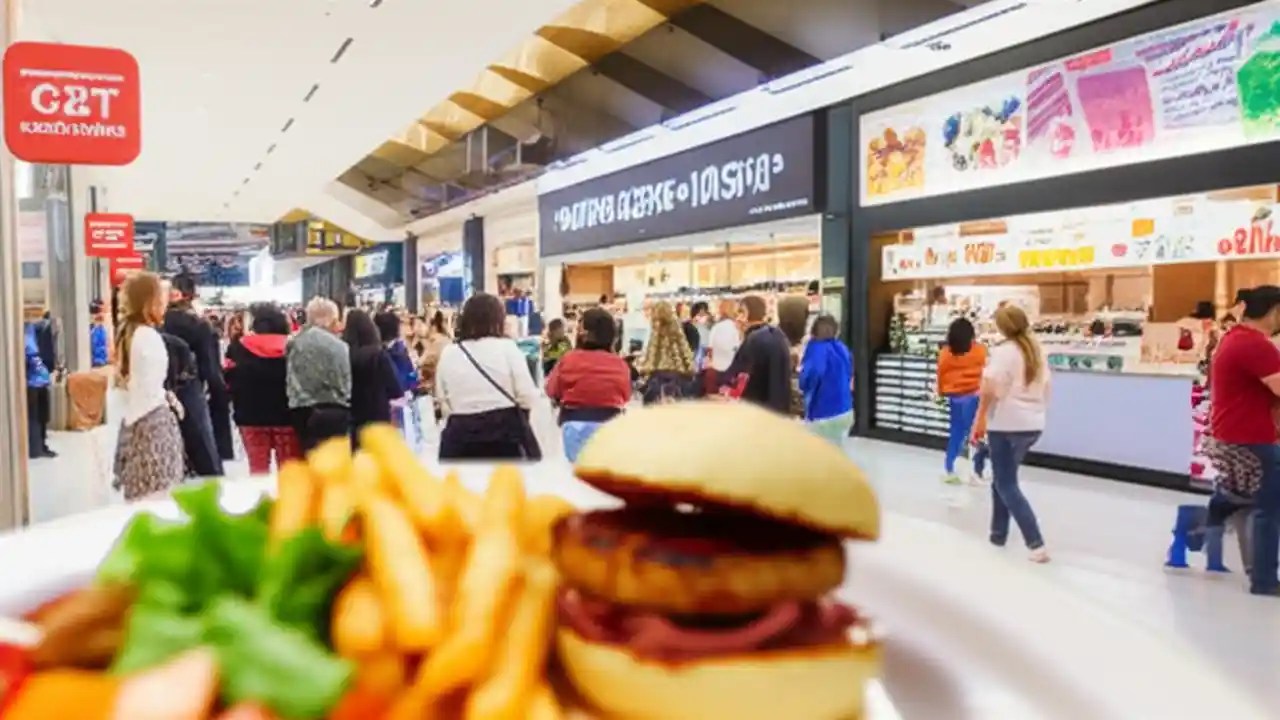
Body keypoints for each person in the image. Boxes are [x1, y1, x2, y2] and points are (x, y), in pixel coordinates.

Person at [1207, 285, 1280, 596]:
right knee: (1268, 508)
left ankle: (1207, 523)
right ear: (1274, 311)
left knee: (1240, 500)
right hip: (1253, 439)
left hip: (1229, 437)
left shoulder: (1233, 338)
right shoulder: (1255, 345)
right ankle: (1264, 580)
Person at [971, 305, 1051, 564]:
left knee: (1006, 484)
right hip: (1032, 424)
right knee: (1002, 479)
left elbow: (988, 388)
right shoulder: (1037, 349)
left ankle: (1035, 543)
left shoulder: (1003, 352)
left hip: (1006, 423)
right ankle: (998, 535)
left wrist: (979, 419)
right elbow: (1048, 387)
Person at [436, 293, 539, 460]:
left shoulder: (449, 353)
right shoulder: (507, 349)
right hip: (504, 438)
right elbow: (526, 396)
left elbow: (443, 399)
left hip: (460, 438)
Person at [112, 272, 185, 500]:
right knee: (159, 495)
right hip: (154, 425)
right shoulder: (147, 336)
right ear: (149, 301)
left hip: (134, 425)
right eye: (160, 297)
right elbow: (151, 387)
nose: (165, 303)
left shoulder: (128, 333)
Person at [545, 308, 632, 461]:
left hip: (573, 426)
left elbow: (551, 390)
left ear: (583, 333)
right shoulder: (620, 365)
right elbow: (626, 395)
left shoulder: (568, 360)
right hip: (610, 426)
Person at [164, 273, 234, 461]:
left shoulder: (155, 324)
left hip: (160, 395)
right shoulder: (199, 326)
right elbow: (211, 371)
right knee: (203, 453)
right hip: (192, 392)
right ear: (192, 295)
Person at [224, 304, 300, 474]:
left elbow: (229, 380)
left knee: (258, 470)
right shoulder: (294, 347)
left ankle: (260, 499)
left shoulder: (237, 347)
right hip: (287, 417)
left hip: (250, 416)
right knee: (289, 472)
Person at [287, 297, 352, 452]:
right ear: (328, 319)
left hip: (300, 409)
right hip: (332, 409)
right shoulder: (339, 346)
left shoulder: (293, 342)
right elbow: (344, 382)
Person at [937, 317, 989, 484]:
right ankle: (975, 471)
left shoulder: (945, 353)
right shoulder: (980, 351)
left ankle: (950, 468)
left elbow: (941, 375)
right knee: (975, 434)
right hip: (974, 395)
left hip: (955, 398)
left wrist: (941, 391)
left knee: (956, 433)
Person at [345, 310, 404, 448]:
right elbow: (395, 390)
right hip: (379, 419)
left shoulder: (343, 354)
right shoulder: (378, 355)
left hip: (353, 420)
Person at [724, 295, 792, 414]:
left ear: (750, 314)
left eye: (741, 312)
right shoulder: (778, 335)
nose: (738, 318)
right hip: (779, 408)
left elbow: (738, 377)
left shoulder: (753, 340)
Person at [798, 315, 853, 446]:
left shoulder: (816, 349)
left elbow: (812, 374)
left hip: (823, 412)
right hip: (845, 410)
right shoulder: (841, 348)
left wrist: (803, 384)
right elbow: (849, 372)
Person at [637, 301, 696, 404]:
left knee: (649, 401)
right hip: (677, 373)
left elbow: (652, 354)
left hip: (658, 373)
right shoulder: (678, 331)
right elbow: (685, 351)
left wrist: (644, 370)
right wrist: (690, 370)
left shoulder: (656, 332)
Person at [24, 322, 53, 459]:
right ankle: (36, 449)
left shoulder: (34, 331)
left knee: (42, 417)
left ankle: (42, 445)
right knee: (35, 418)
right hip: (32, 384)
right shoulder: (25, 337)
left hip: (41, 382)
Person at [704, 299, 741, 395]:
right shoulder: (736, 327)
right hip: (732, 370)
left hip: (716, 368)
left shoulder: (716, 327)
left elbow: (710, 348)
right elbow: (738, 348)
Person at [89, 301, 109, 368]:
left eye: (103, 312)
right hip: (94, 364)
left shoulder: (101, 329)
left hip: (102, 363)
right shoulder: (91, 330)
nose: (102, 314)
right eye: (99, 311)